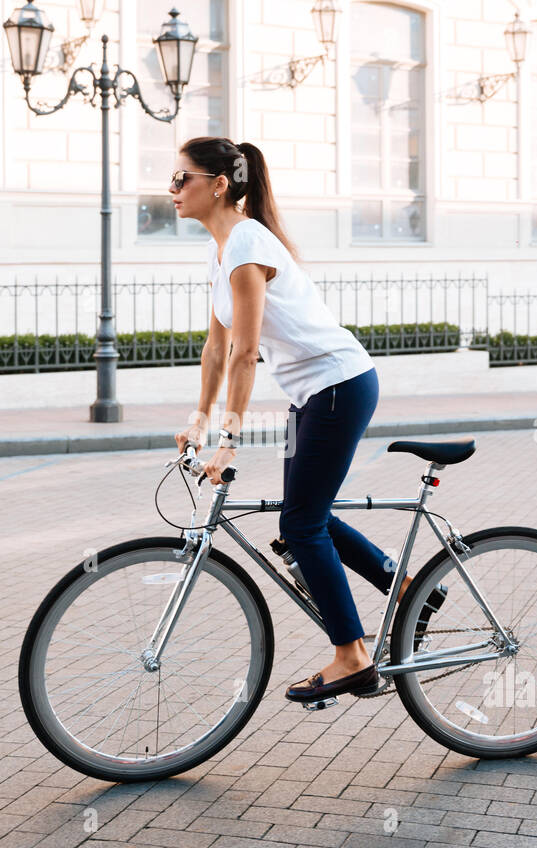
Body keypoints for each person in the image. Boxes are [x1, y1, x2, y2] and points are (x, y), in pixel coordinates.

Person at [168, 136, 432, 705]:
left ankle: (352, 657)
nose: (172, 190)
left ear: (218, 184)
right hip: (316, 394)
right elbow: (215, 349)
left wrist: (229, 442)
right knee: (302, 517)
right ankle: (409, 590)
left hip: (338, 385)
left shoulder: (246, 242)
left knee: (303, 524)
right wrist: (198, 419)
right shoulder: (221, 249)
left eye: (181, 178)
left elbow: (244, 352)